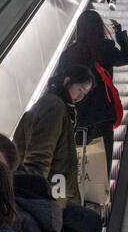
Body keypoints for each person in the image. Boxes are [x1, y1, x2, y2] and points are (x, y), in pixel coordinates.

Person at [57, 9, 128, 169]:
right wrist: (119, 33)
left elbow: (60, 86)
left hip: (77, 119)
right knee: (101, 169)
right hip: (102, 117)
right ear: (99, 27)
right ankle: (101, 194)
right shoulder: (105, 48)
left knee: (79, 166)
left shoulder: (68, 54)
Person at [13, 65, 95, 203]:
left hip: (54, 190)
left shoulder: (58, 106)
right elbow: (39, 156)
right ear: (67, 81)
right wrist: (40, 198)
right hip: (48, 193)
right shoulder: (54, 107)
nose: (80, 96)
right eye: (80, 89)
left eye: (85, 93)